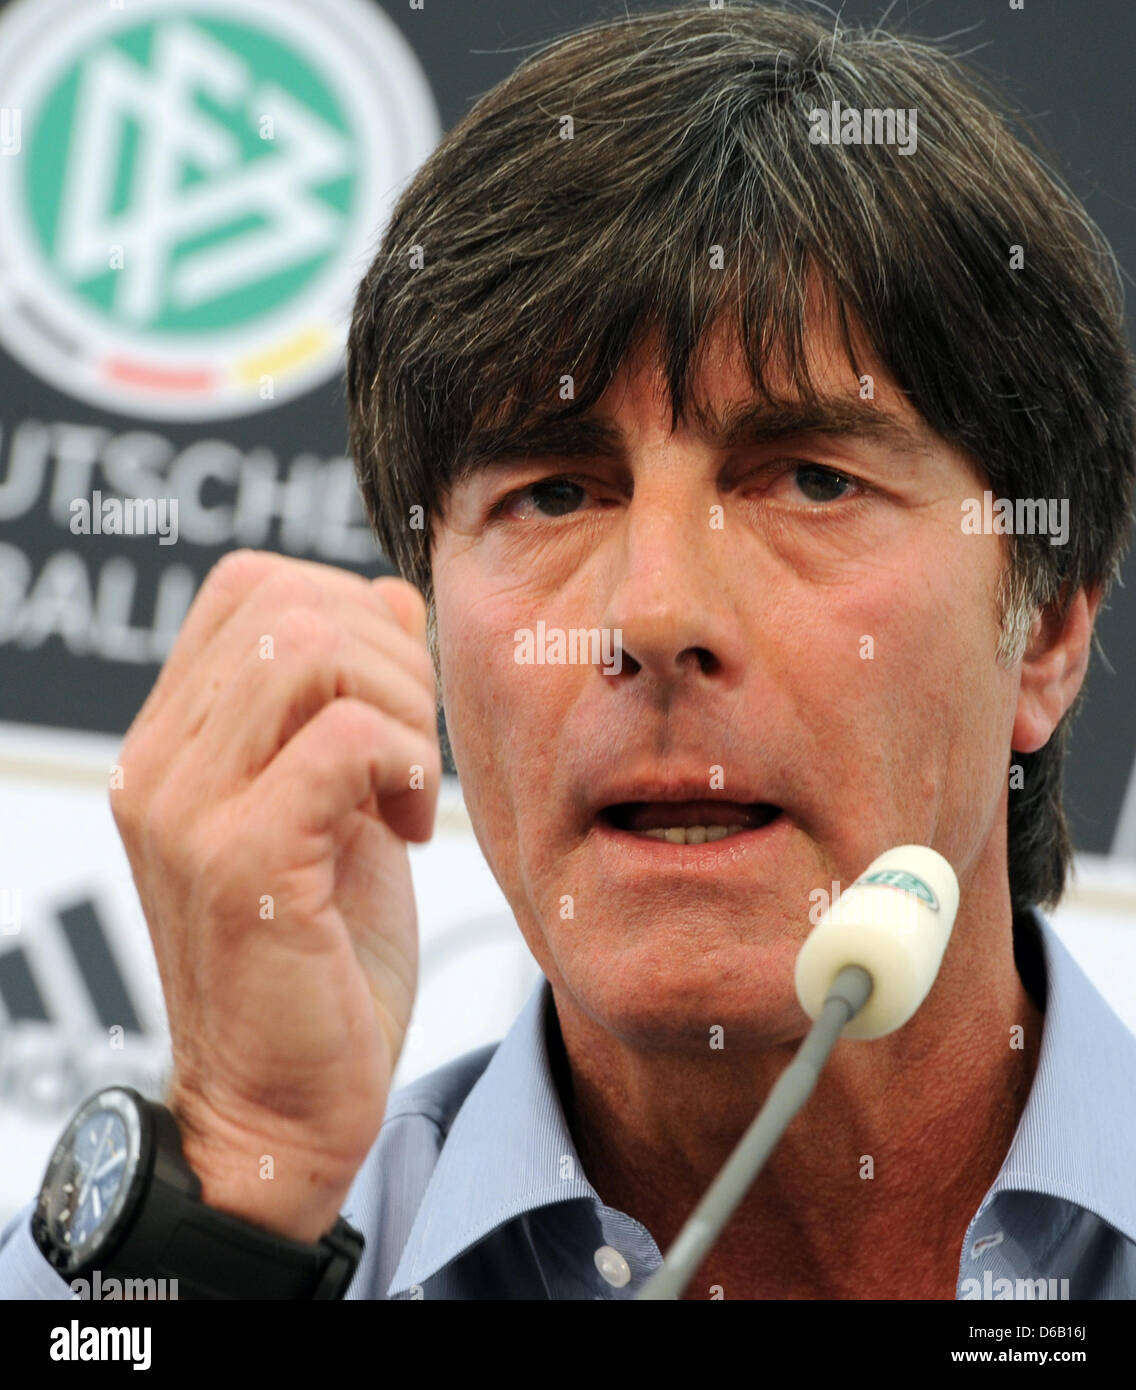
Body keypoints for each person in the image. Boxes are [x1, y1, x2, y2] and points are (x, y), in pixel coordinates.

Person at [3, 0, 1135, 1300]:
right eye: (553, 494)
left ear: (1045, 628)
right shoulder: (262, 1233)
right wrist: (239, 1186)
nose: (652, 618)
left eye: (810, 481)